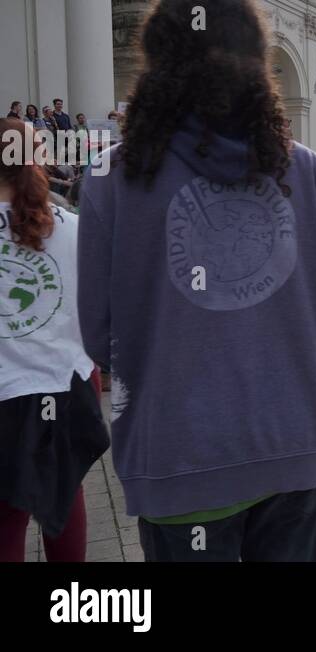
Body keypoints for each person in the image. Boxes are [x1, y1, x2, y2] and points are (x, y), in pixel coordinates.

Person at [76, 0, 316, 562]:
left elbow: (99, 336)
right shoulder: (308, 171)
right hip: (290, 446)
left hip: (177, 457)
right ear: (258, 67)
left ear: (156, 68)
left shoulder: (110, 179)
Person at [0, 119, 109, 562]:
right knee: (63, 499)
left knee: (7, 511)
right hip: (66, 384)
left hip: (7, 394)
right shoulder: (72, 226)